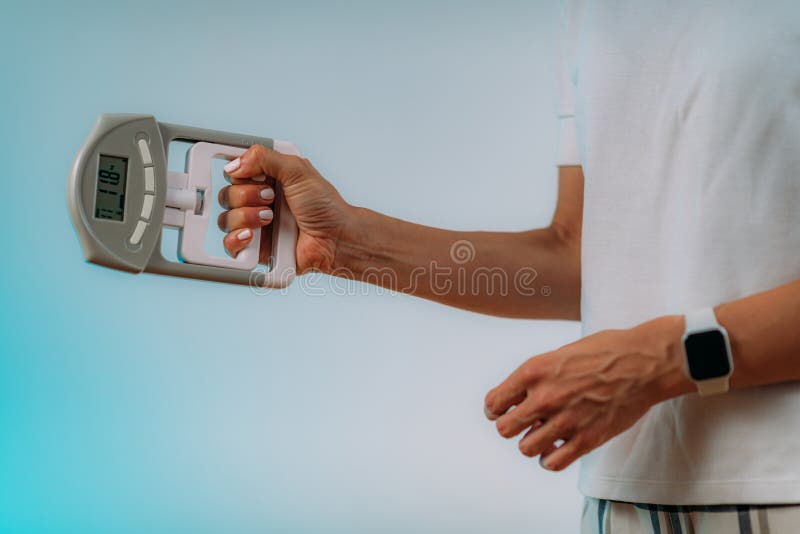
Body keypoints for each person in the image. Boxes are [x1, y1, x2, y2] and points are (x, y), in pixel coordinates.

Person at [217, 1, 800, 531]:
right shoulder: (591, 13)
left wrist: (660, 361)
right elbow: (579, 254)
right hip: (623, 499)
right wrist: (345, 245)